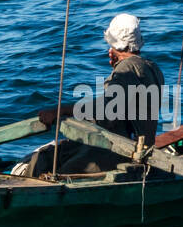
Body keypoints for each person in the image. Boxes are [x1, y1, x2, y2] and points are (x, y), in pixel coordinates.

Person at [18, 14, 166, 177]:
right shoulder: (153, 68)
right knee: (55, 153)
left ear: (113, 44)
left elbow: (106, 113)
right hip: (142, 150)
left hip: (119, 153)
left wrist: (61, 110)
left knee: (49, 164)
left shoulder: (124, 71)